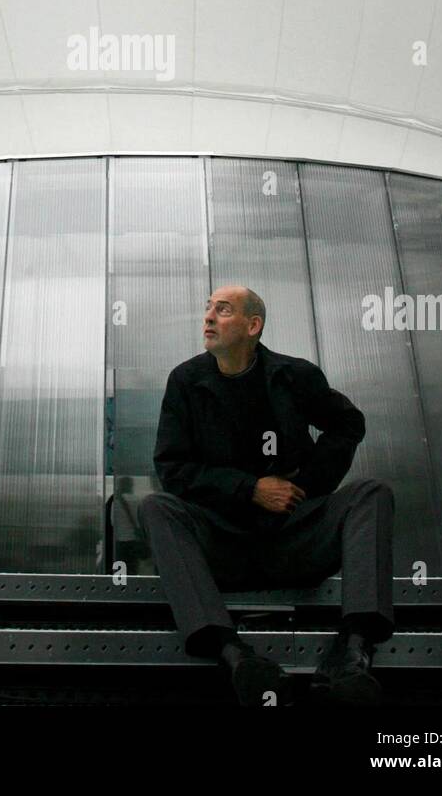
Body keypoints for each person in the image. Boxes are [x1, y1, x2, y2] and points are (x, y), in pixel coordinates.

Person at [137, 285, 395, 707]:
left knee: (372, 493)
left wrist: (305, 488)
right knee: (156, 507)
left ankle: (352, 649)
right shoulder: (186, 381)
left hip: (296, 541)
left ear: (252, 325)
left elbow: (348, 423)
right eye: (207, 310)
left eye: (222, 310)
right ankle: (233, 653)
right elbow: (172, 468)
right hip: (224, 546)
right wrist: (250, 489)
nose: (208, 318)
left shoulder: (294, 376)